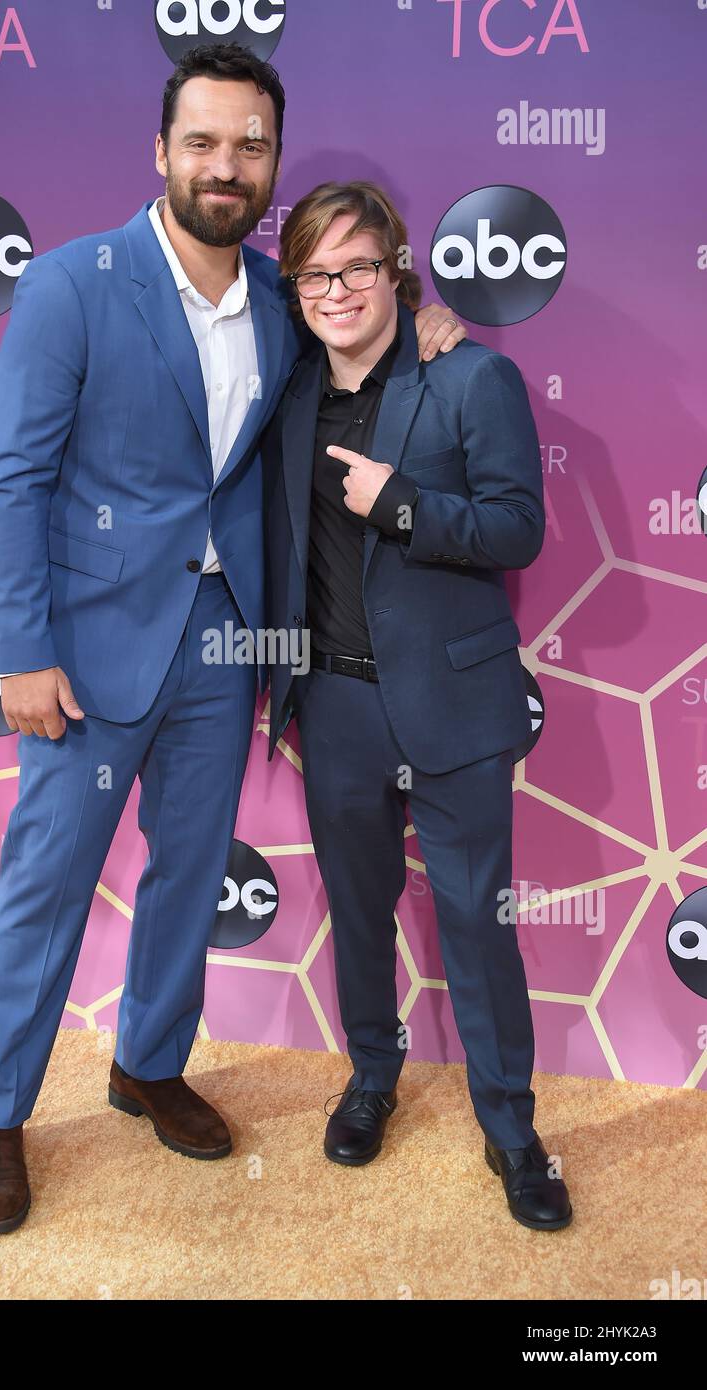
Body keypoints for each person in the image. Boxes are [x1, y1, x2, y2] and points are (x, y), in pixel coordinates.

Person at [0, 47, 464, 1234]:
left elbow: (361, 348)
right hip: (84, 652)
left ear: (273, 163)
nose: (224, 165)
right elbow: (12, 478)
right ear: (161, 151)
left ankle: (146, 1062)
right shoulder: (71, 285)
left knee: (190, 873)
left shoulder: (284, 308)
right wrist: (21, 649)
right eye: (202, 142)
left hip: (222, 643)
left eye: (248, 145)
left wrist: (429, 326)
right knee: (48, 883)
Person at [262, 179, 572, 1231]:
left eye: (358, 266)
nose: (336, 289)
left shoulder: (473, 375)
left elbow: (519, 527)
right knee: (358, 915)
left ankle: (513, 1130)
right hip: (335, 706)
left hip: (455, 701)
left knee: (477, 927)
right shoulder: (289, 387)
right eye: (315, 271)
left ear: (397, 267)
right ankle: (369, 1078)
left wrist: (400, 502)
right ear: (294, 284)